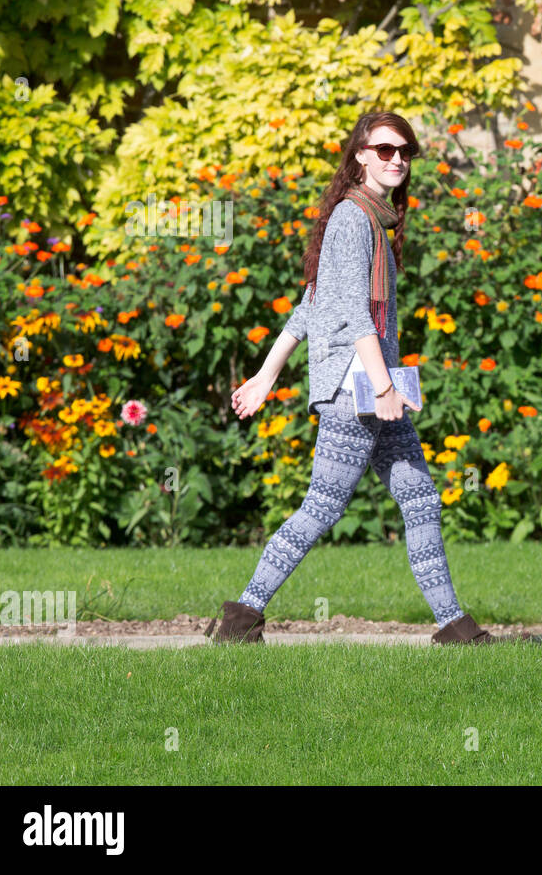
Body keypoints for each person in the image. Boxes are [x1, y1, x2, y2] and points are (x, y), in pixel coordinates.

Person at [205, 111, 493, 646]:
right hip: (355, 390)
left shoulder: (372, 221)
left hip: (376, 384)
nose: (397, 160)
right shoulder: (351, 220)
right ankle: (242, 616)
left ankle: (455, 627)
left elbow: (309, 307)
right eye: (384, 150)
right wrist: (382, 387)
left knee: (420, 499)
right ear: (360, 155)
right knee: (322, 505)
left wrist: (267, 375)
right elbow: (353, 315)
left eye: (405, 151)